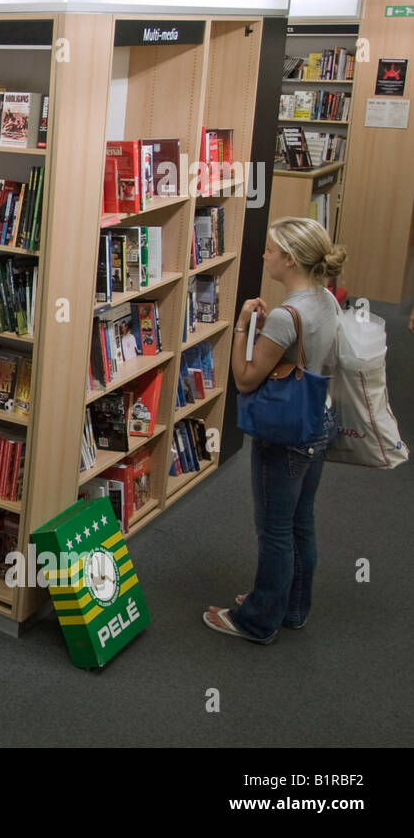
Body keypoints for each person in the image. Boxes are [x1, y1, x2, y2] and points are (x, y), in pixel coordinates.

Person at [204, 217, 346, 643]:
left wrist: (243, 323)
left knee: (274, 530)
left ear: (288, 259)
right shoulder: (327, 300)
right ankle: (293, 608)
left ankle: (258, 620)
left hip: (285, 436)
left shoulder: (287, 316)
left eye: (270, 250)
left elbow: (246, 378)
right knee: (301, 520)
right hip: (319, 421)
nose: (264, 255)